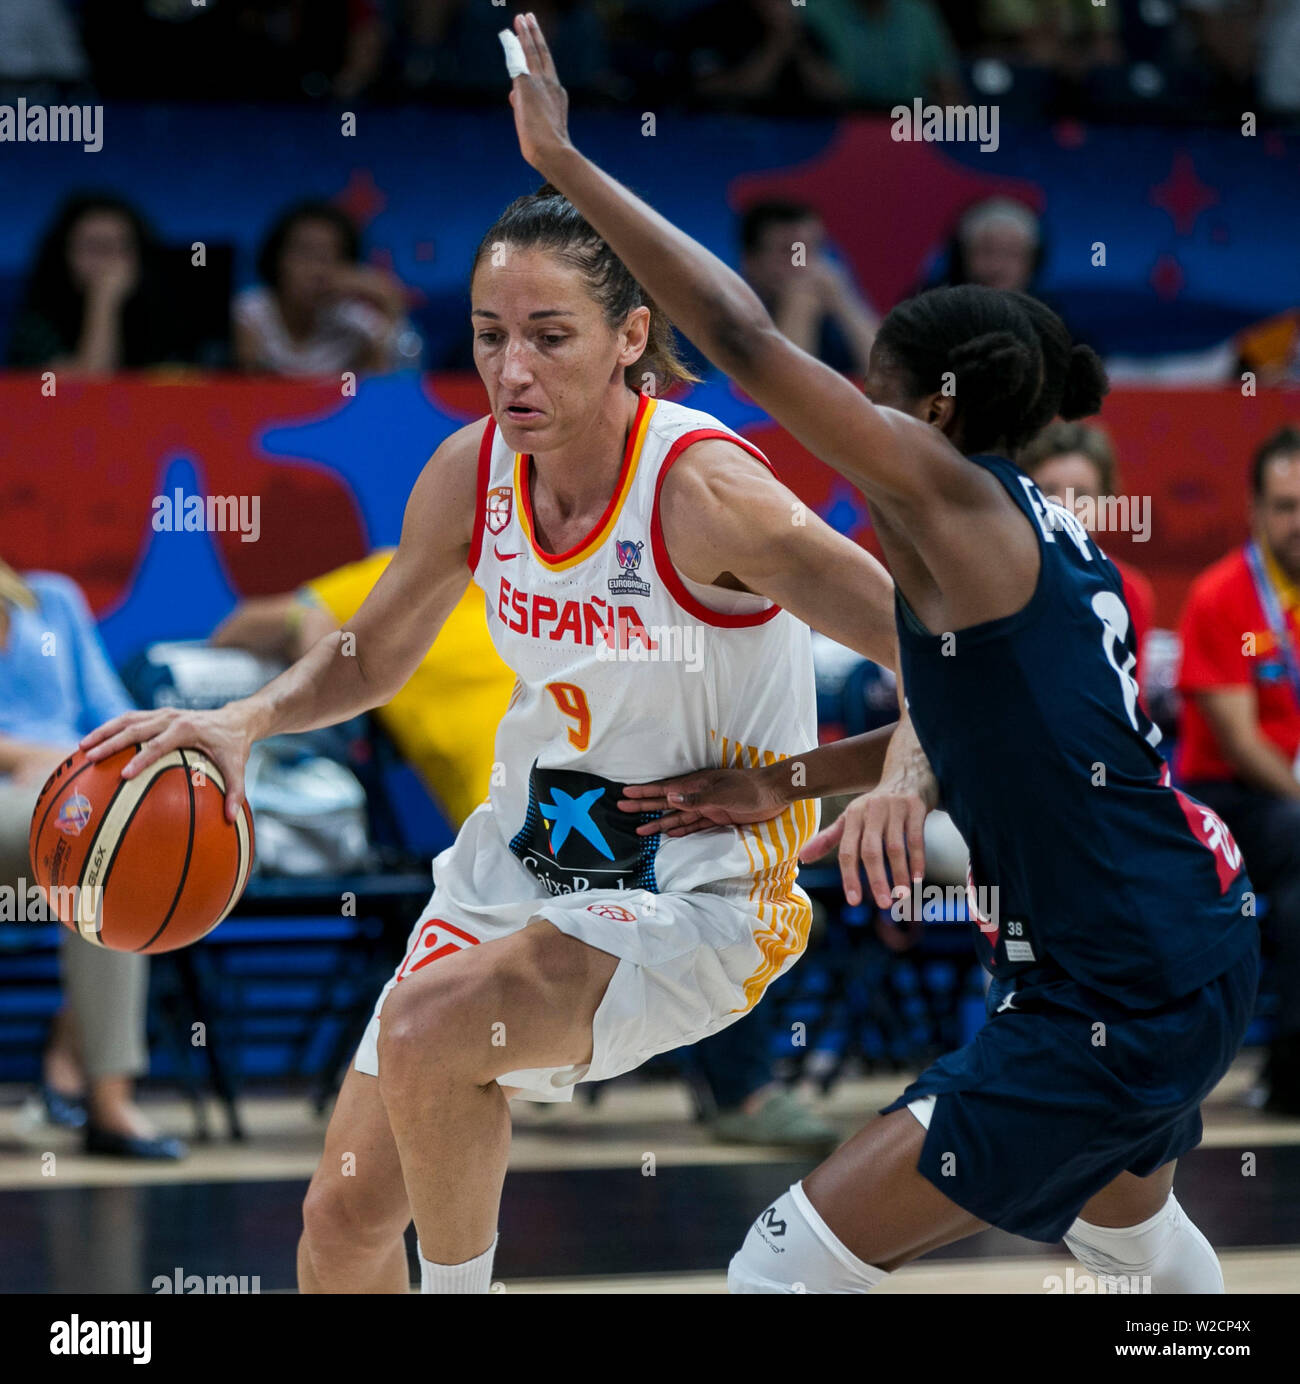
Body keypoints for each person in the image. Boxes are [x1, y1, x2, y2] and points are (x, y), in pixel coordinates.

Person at [502, 13, 1258, 1294]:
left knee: (778, 1273)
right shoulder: (1026, 537)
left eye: (870, 384)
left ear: (933, 408)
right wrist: (791, 783)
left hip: (1117, 984)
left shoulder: (951, 496)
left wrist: (565, 166)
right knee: (1133, 1246)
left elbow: (740, 340)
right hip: (1175, 944)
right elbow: (993, 729)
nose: (848, 402)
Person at [81, 176, 933, 1290]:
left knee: (438, 1020)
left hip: (703, 889)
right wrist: (248, 718)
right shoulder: (471, 470)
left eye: (548, 335)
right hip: (518, 866)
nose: (511, 369)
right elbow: (372, 653)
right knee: (339, 1221)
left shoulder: (708, 490)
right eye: (489, 336)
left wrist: (866, 779)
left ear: (632, 335)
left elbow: (943, 653)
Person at [0, 561, 185, 1159]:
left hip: (66, 799)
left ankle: (104, 1097)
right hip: (17, 796)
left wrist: (86, 767)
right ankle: (79, 1067)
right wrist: (24, 754)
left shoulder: (51, 600)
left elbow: (115, 716)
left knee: (117, 857)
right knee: (95, 840)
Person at [1176, 425, 1300, 1115]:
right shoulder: (1222, 596)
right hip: (1235, 801)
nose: (1299, 522)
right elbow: (1243, 742)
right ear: (1254, 511)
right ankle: (1292, 1063)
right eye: (1285, 506)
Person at [212, 551, 515, 829]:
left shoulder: (547, 591)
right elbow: (239, 628)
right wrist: (311, 634)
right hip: (519, 830)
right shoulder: (404, 582)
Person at [1020, 420, 1156, 689]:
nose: (1064, 506)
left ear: (1107, 505)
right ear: (1020, 496)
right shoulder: (993, 582)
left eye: (1082, 495)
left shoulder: (1130, 591)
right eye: (1047, 490)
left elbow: (1125, 703)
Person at [6, 194, 183, 374]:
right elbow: (86, 388)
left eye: (121, 246)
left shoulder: (167, 314)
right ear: (64, 254)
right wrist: (103, 300)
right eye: (94, 246)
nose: (108, 259)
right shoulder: (37, 326)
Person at [233, 201, 414, 377]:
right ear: (277, 258)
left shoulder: (357, 323)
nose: (316, 270)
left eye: (328, 257)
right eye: (304, 254)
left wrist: (384, 293)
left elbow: (385, 385)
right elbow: (246, 382)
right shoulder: (251, 311)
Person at [740, 201, 878, 377]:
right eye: (788, 251)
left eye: (812, 248)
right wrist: (799, 307)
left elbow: (890, 379)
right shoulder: (731, 315)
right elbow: (786, 384)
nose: (803, 266)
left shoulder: (834, 309)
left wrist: (845, 302)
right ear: (751, 262)